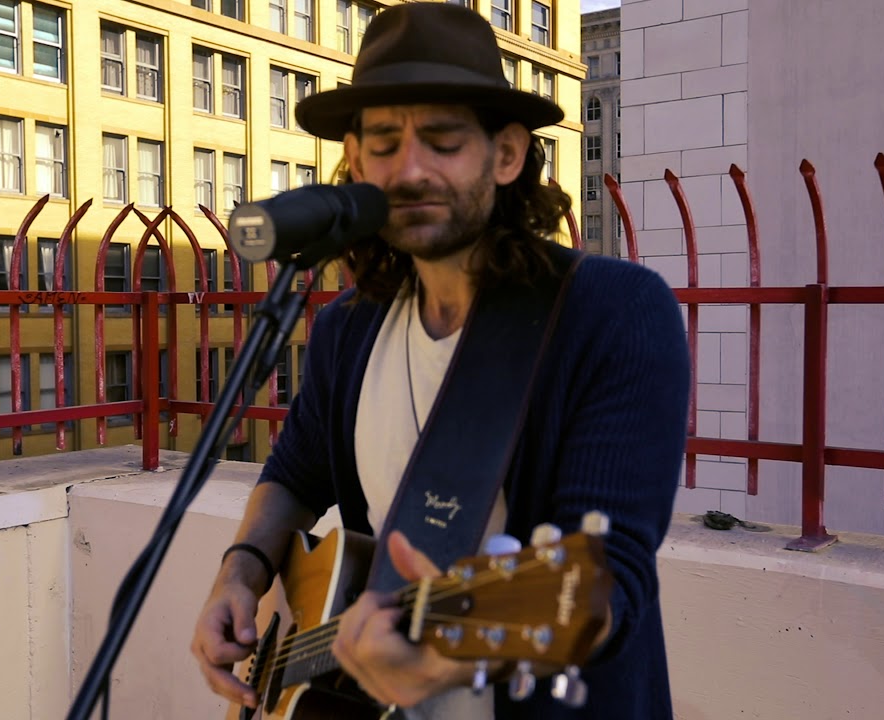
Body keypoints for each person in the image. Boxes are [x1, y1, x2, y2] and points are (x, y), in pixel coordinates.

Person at [190, 3, 689, 718]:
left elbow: (608, 577)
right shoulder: (349, 328)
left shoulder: (613, 314)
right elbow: (294, 475)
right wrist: (241, 571)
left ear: (507, 155)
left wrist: (462, 651)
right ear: (356, 159)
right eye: (384, 143)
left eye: (444, 140)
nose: (411, 169)